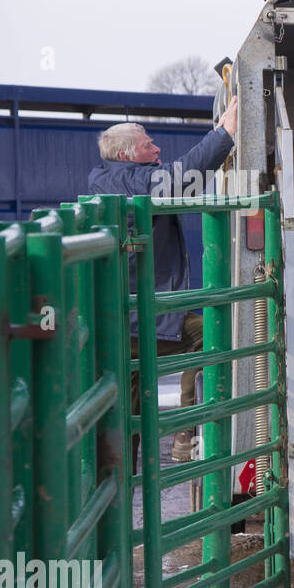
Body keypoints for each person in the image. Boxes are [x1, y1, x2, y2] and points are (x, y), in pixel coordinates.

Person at [89, 97, 238, 465]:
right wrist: (225, 133)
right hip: (141, 318)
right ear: (127, 155)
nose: (157, 147)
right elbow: (182, 178)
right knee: (215, 335)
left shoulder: (112, 177)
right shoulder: (128, 181)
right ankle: (186, 432)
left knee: (129, 412)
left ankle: (120, 493)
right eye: (147, 144)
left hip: (127, 321)